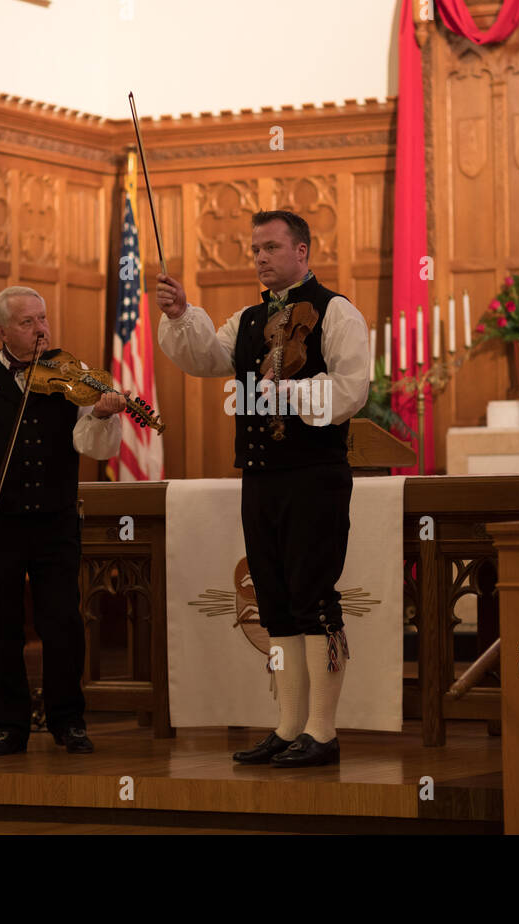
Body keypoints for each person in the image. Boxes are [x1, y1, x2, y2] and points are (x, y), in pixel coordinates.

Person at [155, 210, 370, 767]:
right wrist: (181, 314)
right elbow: (205, 356)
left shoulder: (335, 311)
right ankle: (288, 726)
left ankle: (323, 733)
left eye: (271, 247)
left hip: (313, 476)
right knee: (274, 601)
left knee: (312, 597)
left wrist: (288, 395)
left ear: (302, 251)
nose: (261, 258)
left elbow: (350, 390)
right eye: (255, 250)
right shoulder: (249, 320)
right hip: (261, 477)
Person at [0, 285, 128, 757]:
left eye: (44, 319)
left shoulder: (71, 375)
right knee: (1, 626)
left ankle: (67, 721)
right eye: (27, 323)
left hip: (56, 522)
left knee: (62, 622)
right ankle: (8, 725)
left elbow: (95, 447)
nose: (41, 330)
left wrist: (100, 415)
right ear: (0, 331)